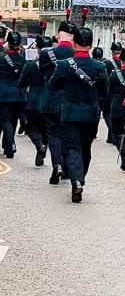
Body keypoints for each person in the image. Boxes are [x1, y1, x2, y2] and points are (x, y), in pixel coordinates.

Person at [45, 26, 109, 203]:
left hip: (70, 112)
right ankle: (80, 177)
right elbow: (105, 91)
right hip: (91, 114)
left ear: (74, 43)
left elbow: (52, 86)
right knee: (86, 147)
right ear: (90, 44)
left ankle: (76, 180)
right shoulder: (99, 66)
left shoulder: (64, 65)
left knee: (72, 147)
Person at [38, 13, 77, 185]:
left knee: (53, 136)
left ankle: (57, 165)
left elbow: (42, 74)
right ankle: (67, 168)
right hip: (70, 100)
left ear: (59, 34)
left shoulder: (47, 54)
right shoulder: (76, 55)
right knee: (68, 136)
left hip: (51, 99)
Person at [19, 35, 49, 167]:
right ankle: (42, 148)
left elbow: (22, 83)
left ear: (37, 48)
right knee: (46, 130)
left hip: (34, 101)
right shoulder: (55, 66)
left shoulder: (31, 65)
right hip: (48, 101)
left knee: (30, 127)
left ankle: (39, 145)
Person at [108, 47, 125, 169]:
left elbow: (109, 92)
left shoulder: (115, 75)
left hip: (117, 107)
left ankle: (123, 152)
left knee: (116, 133)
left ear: (122, 61)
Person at [0, 30, 26, 158]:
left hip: (3, 93)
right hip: (18, 94)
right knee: (13, 121)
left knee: (4, 120)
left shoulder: (1, 58)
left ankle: (11, 144)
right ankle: (7, 147)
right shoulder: (23, 60)